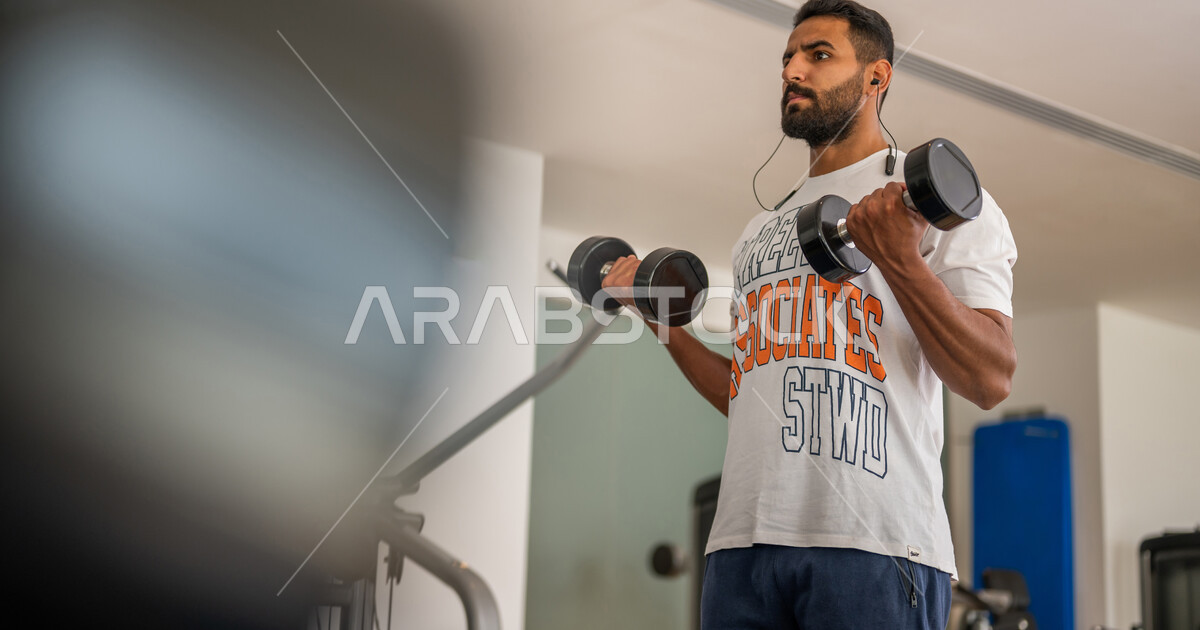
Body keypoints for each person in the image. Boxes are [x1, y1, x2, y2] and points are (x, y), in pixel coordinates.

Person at [600, 0, 1018, 628]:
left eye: (818, 55)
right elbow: (751, 389)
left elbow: (990, 378)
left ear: (878, 77)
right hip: (742, 546)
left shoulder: (930, 201)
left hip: (875, 543)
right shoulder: (759, 232)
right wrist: (659, 321)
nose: (794, 69)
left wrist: (900, 259)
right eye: (789, 57)